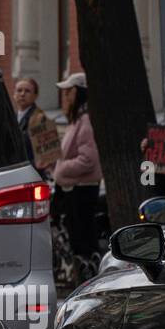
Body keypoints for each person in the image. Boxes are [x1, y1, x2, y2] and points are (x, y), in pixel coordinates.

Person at [52, 72, 102, 265]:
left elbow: (88, 159)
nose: (65, 97)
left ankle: (88, 267)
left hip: (82, 189)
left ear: (79, 92)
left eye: (69, 92)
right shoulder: (77, 120)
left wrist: (62, 170)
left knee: (83, 235)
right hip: (76, 188)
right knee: (78, 234)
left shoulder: (85, 121)